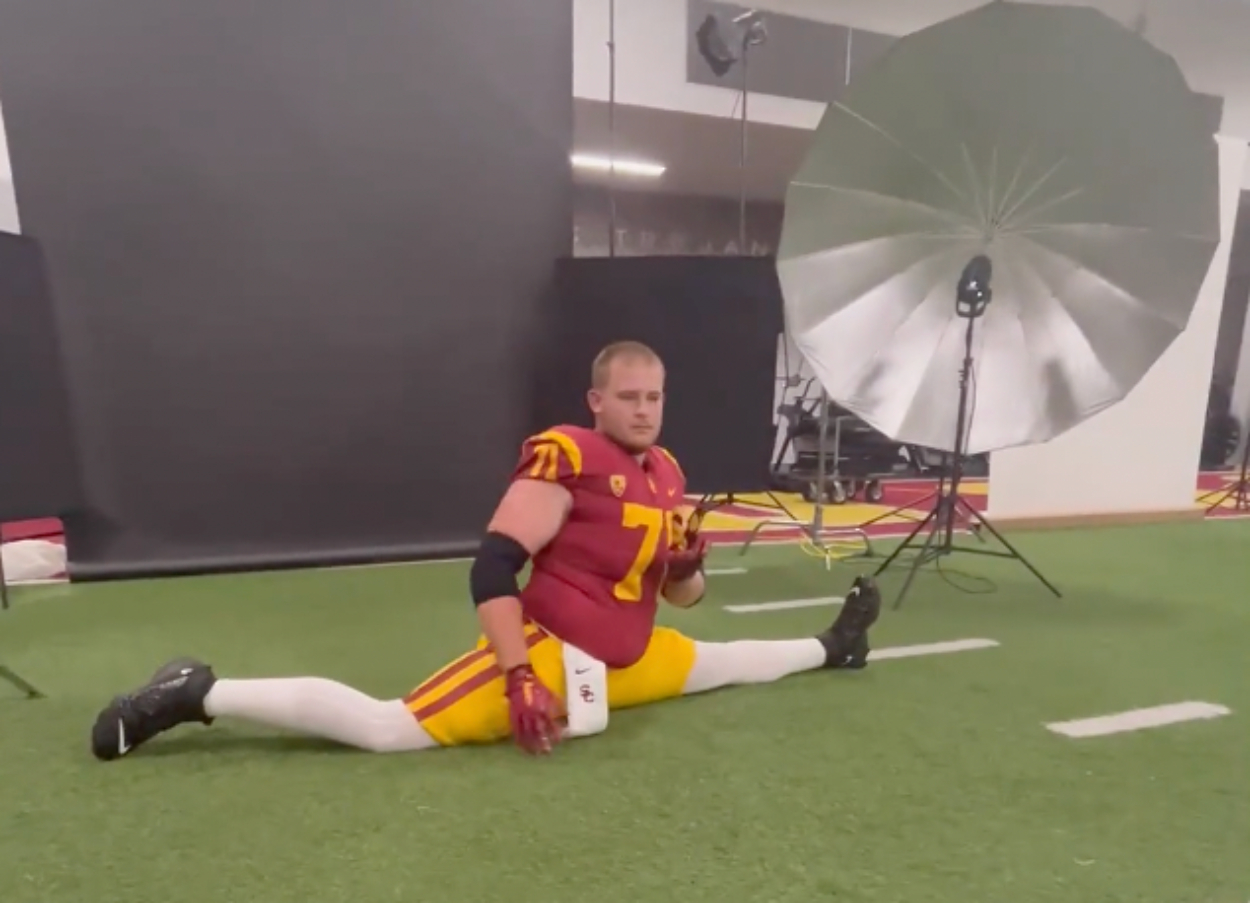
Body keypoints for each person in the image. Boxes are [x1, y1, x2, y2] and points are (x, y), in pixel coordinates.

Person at [90, 340, 880, 761]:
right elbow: (493, 565)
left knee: (725, 660)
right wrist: (516, 675)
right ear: (597, 399)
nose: (645, 410)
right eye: (629, 396)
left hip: (627, 659)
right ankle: (198, 691)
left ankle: (832, 644)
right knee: (388, 727)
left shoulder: (668, 471)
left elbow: (684, 600)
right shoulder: (566, 456)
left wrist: (685, 569)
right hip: (548, 652)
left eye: (656, 395)